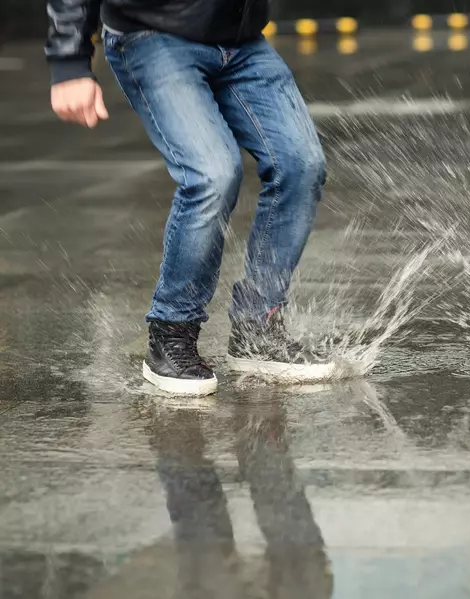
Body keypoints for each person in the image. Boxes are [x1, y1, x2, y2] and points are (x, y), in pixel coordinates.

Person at [45, 0, 334, 395]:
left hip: (242, 40)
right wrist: (69, 59)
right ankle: (172, 333)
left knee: (300, 165)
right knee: (213, 174)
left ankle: (257, 327)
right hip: (152, 33)